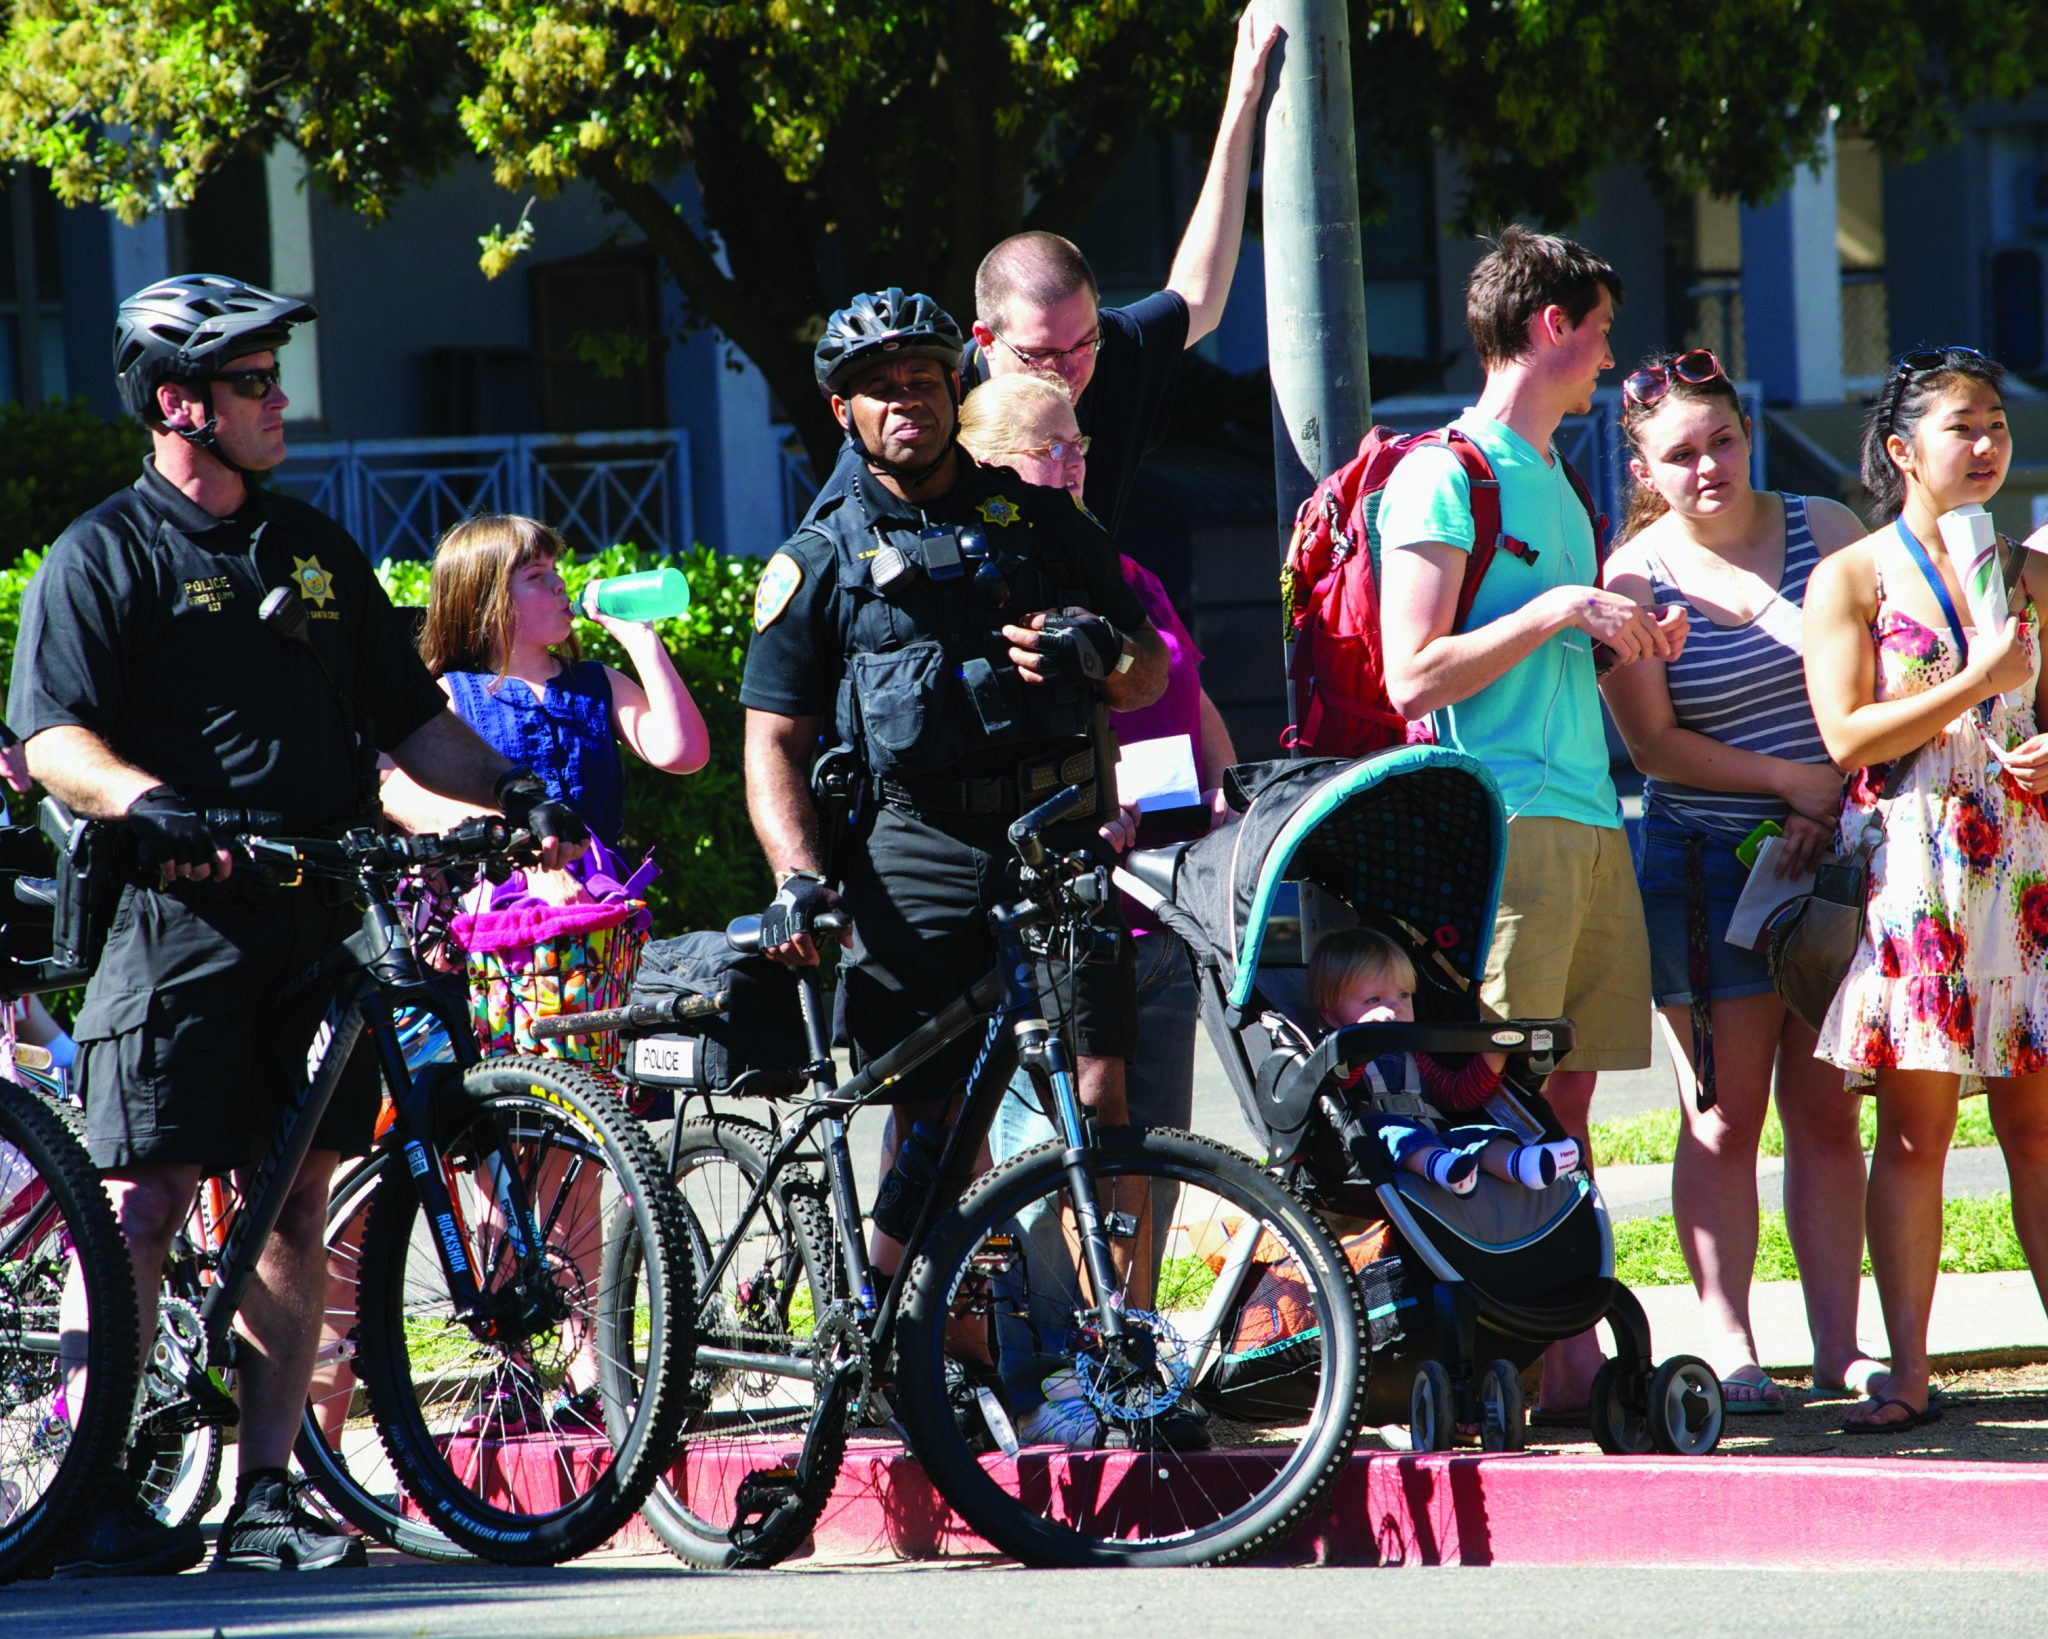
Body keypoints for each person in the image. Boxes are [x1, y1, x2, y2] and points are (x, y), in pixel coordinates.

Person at [7, 274, 586, 1576]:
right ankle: (86, 1472)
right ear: (179, 403)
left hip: (321, 911)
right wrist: (155, 804)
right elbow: (53, 738)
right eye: (255, 382)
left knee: (294, 1204)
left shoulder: (312, 550)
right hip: (175, 917)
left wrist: (510, 792)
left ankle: (267, 1493)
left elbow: (408, 714)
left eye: (276, 378)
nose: (283, 402)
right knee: (143, 1199)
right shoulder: (104, 554)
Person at [739, 287, 1166, 1283]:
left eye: (923, 380)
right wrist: (797, 877)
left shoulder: (1042, 520)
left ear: (954, 385)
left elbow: (1145, 667)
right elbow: (769, 744)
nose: (904, 401)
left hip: (1053, 839)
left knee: (1098, 1093)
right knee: (937, 1117)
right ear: (841, 408)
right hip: (912, 854)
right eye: (877, 389)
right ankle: (949, 1355)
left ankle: (1121, 1344)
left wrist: (1101, 654)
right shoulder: (819, 558)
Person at [1374, 225, 1686, 1419]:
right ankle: (1474, 1341)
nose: (1608, 358)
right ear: (1549, 324)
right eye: (1599, 330)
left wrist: (1627, 631)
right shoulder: (1444, 471)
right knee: (1482, 1093)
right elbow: (1413, 675)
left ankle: (1562, 1355)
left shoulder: (1556, 478)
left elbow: (1552, 649)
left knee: (1564, 1099)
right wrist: (1562, 602)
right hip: (1496, 821)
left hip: (1585, 815)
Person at [955, 371, 1232, 1446]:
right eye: (1046, 448)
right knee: (1057, 1160)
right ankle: (1050, 1372)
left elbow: (1191, 700)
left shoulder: (1126, 577)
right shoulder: (978, 590)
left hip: (1160, 909)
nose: (1072, 462)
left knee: (1146, 1160)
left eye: (1076, 443)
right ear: (982, 463)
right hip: (1053, 926)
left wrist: (1220, 799)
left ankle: (1129, 1359)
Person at [1601, 349, 1879, 1411]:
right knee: (1719, 1114)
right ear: (1642, 465)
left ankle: (1838, 1344)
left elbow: (1886, 672)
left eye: (1722, 439)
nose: (1707, 464)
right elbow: (1654, 747)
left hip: (1834, 864)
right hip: (1702, 867)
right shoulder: (1632, 575)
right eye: (1678, 453)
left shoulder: (1827, 528)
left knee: (1823, 1110)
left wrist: (1834, 800)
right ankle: (1727, 1341)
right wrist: (1789, 783)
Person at [1802, 345, 2048, 1434]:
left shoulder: (2031, 574)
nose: (1986, 443)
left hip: (2021, 858)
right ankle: (1904, 1368)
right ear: (1902, 449)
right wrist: (1971, 685)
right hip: (1915, 864)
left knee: (2036, 1126)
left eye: (1995, 422)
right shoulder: (1851, 576)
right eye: (1962, 425)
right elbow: (1845, 734)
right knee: (1914, 1130)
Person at [803, 3, 1280, 539]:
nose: (1068, 373)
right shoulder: (931, 408)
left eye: (1084, 344)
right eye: (1042, 356)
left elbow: (1197, 298)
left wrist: (1241, 102)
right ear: (984, 339)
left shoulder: (1105, 353)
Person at [379, 511, 710, 884]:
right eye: (536, 576)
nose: (560, 583)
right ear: (484, 602)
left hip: (601, 913)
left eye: (556, 568)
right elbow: (392, 787)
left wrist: (641, 639)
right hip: (499, 915)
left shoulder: (600, 684)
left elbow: (683, 754)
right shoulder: (448, 697)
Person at [1308, 928, 1581, 1195]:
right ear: (1332, 1016)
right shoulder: (1341, 1063)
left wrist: (1492, 1058)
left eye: (1404, 995)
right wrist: (1360, 1046)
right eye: (1374, 999)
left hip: (1439, 1137)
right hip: (1381, 1143)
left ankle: (1524, 1163)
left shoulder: (1414, 1056)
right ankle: (1444, 1168)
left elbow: (1454, 1095)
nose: (1396, 1007)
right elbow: (1342, 1083)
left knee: (1480, 1135)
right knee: (1398, 1135)